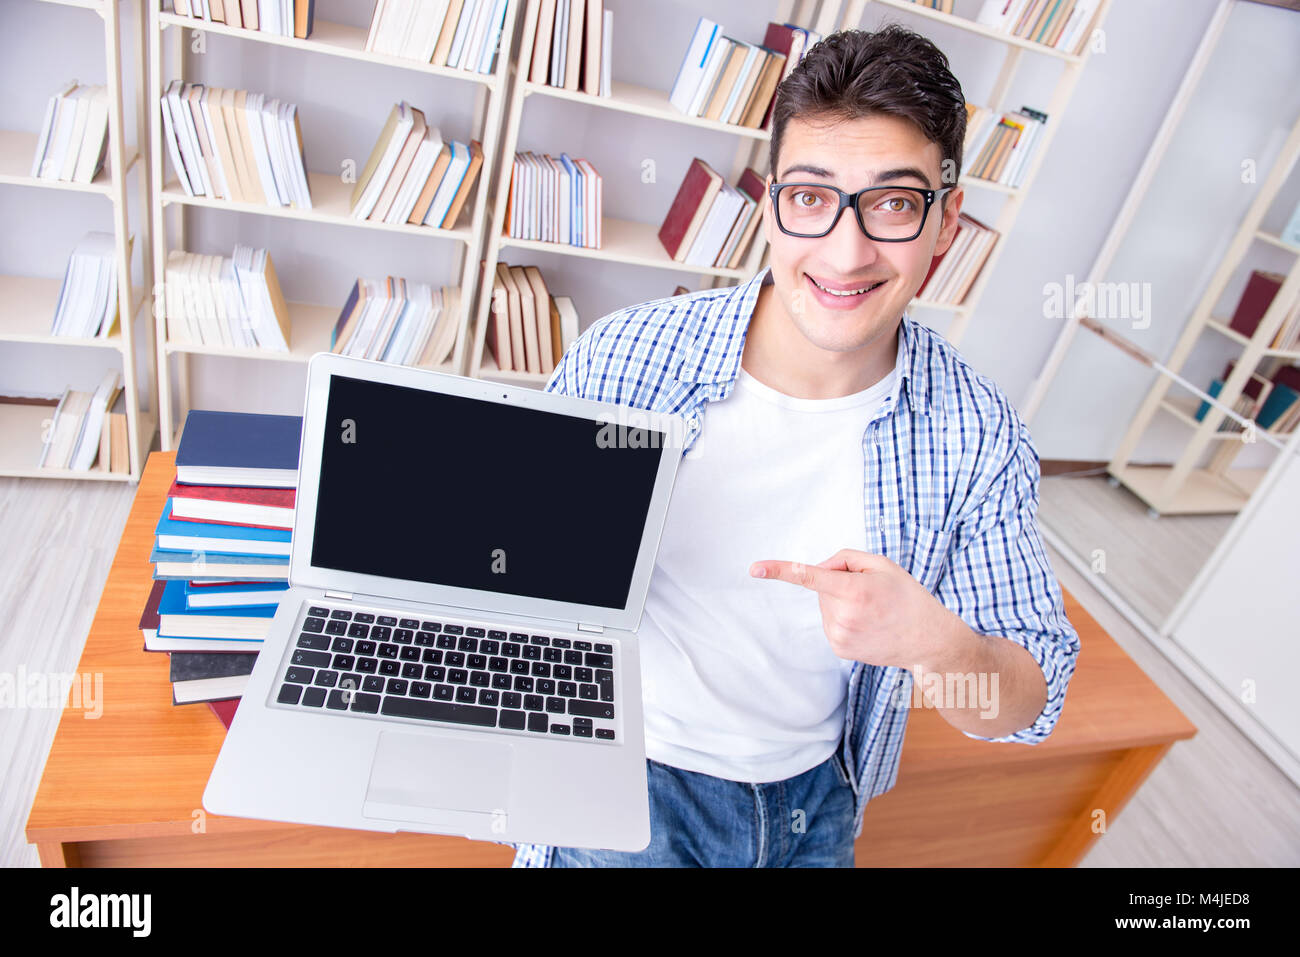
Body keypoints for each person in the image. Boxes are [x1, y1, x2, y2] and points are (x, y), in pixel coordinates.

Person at [512, 22, 1079, 867]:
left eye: (893, 203)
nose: (845, 255)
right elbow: (509, 576)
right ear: (771, 199)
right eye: (812, 197)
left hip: (818, 803)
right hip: (626, 776)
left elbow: (1027, 702)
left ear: (946, 224)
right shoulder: (629, 359)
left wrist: (935, 642)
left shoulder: (975, 433)